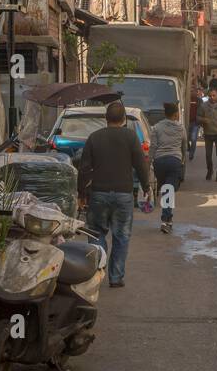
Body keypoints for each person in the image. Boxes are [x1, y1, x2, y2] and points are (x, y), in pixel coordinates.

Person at [77, 100, 149, 288]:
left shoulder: (94, 138)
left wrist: (81, 194)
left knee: (96, 234)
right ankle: (116, 277)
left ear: (105, 118)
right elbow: (141, 165)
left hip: (98, 194)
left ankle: (96, 273)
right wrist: (147, 187)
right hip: (123, 195)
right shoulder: (131, 137)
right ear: (124, 119)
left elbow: (84, 169)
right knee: (121, 237)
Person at [150, 101, 188, 234]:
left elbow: (153, 147)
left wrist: (149, 162)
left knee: (165, 189)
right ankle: (166, 220)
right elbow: (184, 146)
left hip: (159, 161)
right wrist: (182, 160)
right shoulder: (181, 128)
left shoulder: (156, 127)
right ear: (176, 114)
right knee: (169, 190)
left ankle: (167, 218)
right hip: (174, 161)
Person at [198, 85, 217, 181]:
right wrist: (203, 120)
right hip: (208, 134)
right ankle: (210, 170)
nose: (212, 97)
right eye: (210, 96)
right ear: (208, 96)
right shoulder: (203, 106)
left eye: (214, 95)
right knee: (208, 154)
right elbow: (197, 117)